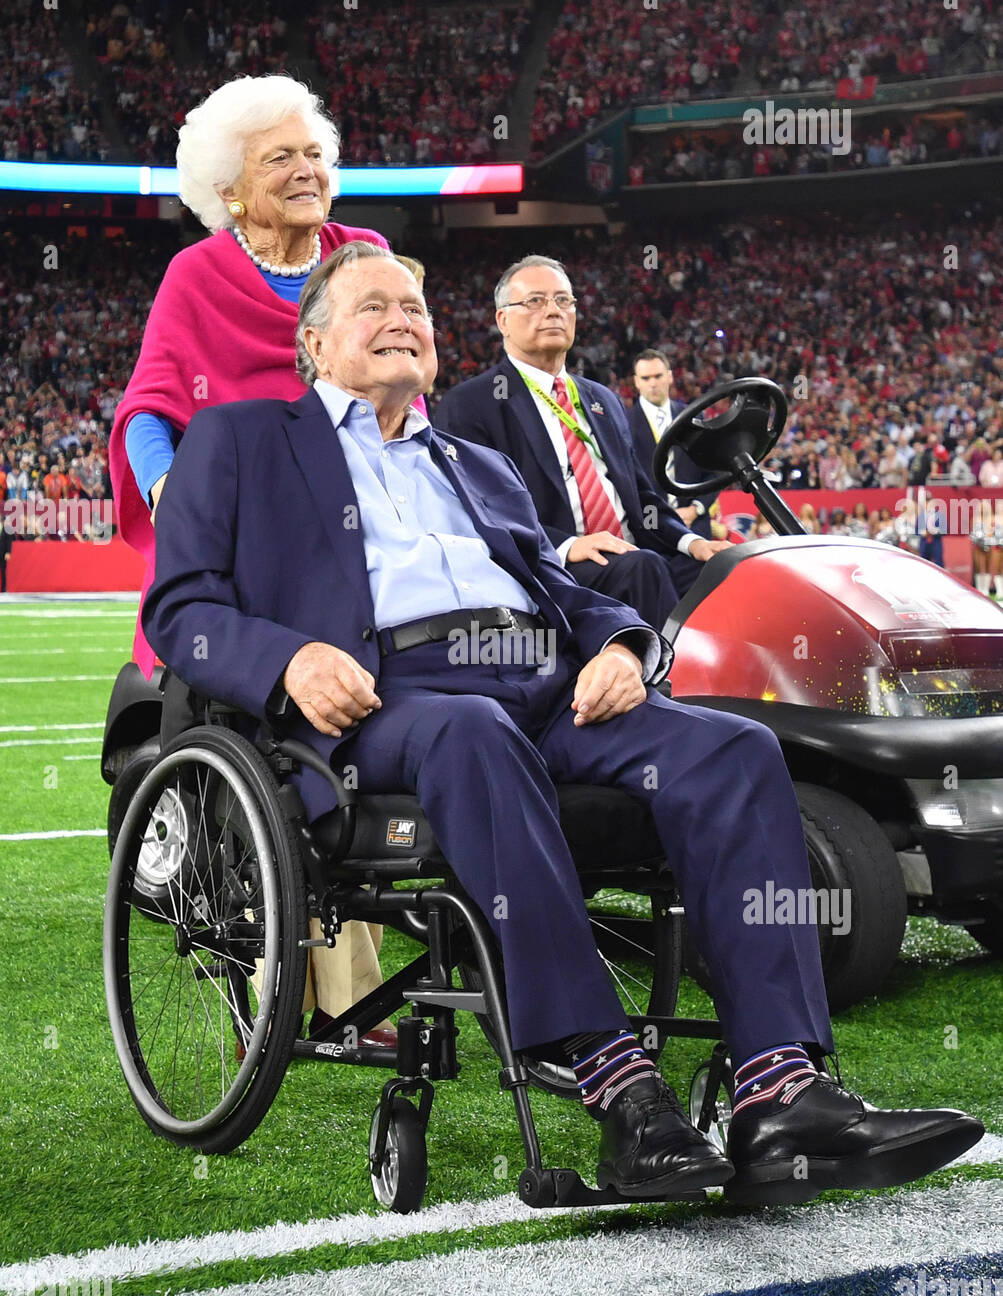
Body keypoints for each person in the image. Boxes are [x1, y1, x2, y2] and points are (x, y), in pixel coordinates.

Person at [143, 242, 982, 1203]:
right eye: (373, 306)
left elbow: (565, 587)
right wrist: (288, 660)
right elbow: (182, 612)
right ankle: (620, 1089)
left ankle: (778, 1089)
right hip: (388, 699)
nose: (403, 320)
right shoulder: (245, 439)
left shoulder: (478, 464)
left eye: (415, 308)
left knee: (733, 748)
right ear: (315, 343)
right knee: (472, 733)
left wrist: (626, 647)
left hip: (544, 685)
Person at [109, 73, 396, 1043]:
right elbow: (151, 405)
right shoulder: (197, 276)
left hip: (357, 526)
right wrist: (171, 492)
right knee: (274, 700)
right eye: (282, 158)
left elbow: (406, 388)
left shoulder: (367, 258)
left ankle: (348, 986)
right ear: (231, 189)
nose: (309, 169)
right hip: (244, 535)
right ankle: (288, 973)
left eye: (315, 153)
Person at [435, 256, 729, 633]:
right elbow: (477, 509)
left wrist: (692, 543)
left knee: (730, 565)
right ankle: (671, 686)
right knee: (644, 568)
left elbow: (640, 495)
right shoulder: (473, 403)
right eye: (535, 301)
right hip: (551, 567)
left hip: (634, 554)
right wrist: (567, 545)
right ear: (502, 320)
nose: (553, 311)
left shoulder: (602, 399)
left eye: (563, 301)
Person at [628, 348, 720, 595]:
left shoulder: (694, 417)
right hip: (651, 534)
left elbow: (714, 473)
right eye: (646, 379)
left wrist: (695, 509)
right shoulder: (623, 424)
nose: (653, 383)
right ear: (636, 382)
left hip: (696, 529)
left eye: (658, 376)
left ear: (669, 376)